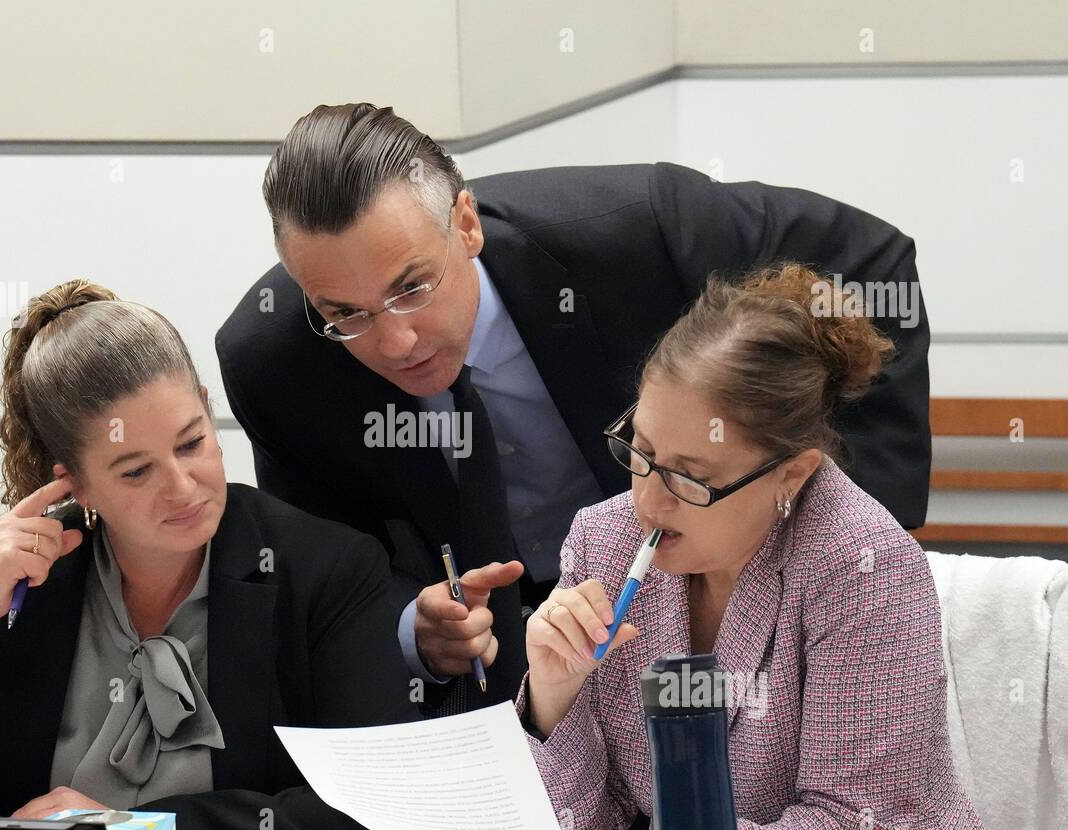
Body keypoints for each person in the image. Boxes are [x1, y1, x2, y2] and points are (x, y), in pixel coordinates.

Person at [217, 102, 933, 719]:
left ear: (465, 225)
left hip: (695, 604)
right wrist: (409, 624)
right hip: (494, 693)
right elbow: (327, 568)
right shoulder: (274, 362)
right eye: (344, 314)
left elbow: (868, 265)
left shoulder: (633, 229)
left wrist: (848, 540)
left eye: (412, 287)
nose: (395, 341)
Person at [0, 279, 426, 830]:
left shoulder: (326, 569)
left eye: (192, 443)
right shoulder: (12, 582)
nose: (181, 487)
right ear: (75, 483)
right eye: (136, 471)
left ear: (205, 405)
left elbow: (380, 819)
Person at [493, 264, 995, 830]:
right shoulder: (604, 541)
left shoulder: (865, 570)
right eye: (641, 453)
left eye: (690, 477)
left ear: (792, 473)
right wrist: (552, 699)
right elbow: (579, 828)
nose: (647, 501)